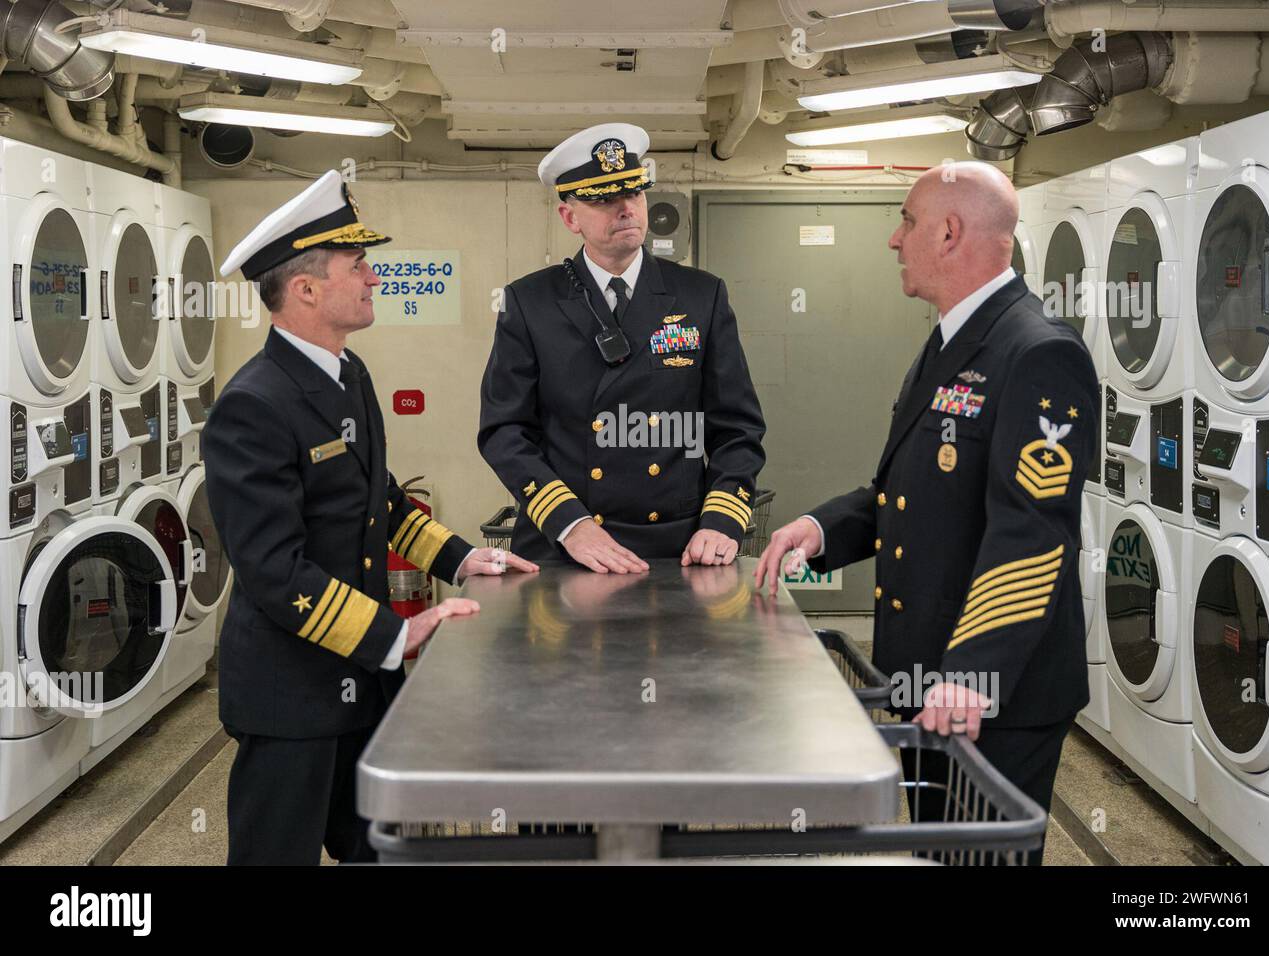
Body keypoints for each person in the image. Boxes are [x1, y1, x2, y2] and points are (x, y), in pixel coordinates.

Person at [755, 162, 1100, 865]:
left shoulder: (1038, 352)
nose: (892, 239)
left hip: (994, 692)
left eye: (906, 221)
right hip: (930, 680)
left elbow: (1032, 533)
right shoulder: (950, 343)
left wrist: (972, 672)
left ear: (948, 233)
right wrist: (819, 530)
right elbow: (908, 498)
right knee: (939, 855)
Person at [205, 170, 538, 865]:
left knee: (383, 852)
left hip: (363, 683)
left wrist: (461, 560)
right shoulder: (253, 405)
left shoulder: (347, 374)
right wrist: (400, 633)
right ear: (305, 289)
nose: (375, 279)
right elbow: (272, 571)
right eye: (358, 266)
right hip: (289, 693)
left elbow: (378, 502)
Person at [479, 123, 766, 572]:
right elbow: (505, 431)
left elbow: (737, 429)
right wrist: (569, 523)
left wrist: (721, 520)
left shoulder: (700, 296)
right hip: (566, 543)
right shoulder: (529, 301)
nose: (625, 209)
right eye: (603, 199)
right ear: (570, 217)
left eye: (634, 194)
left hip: (677, 546)